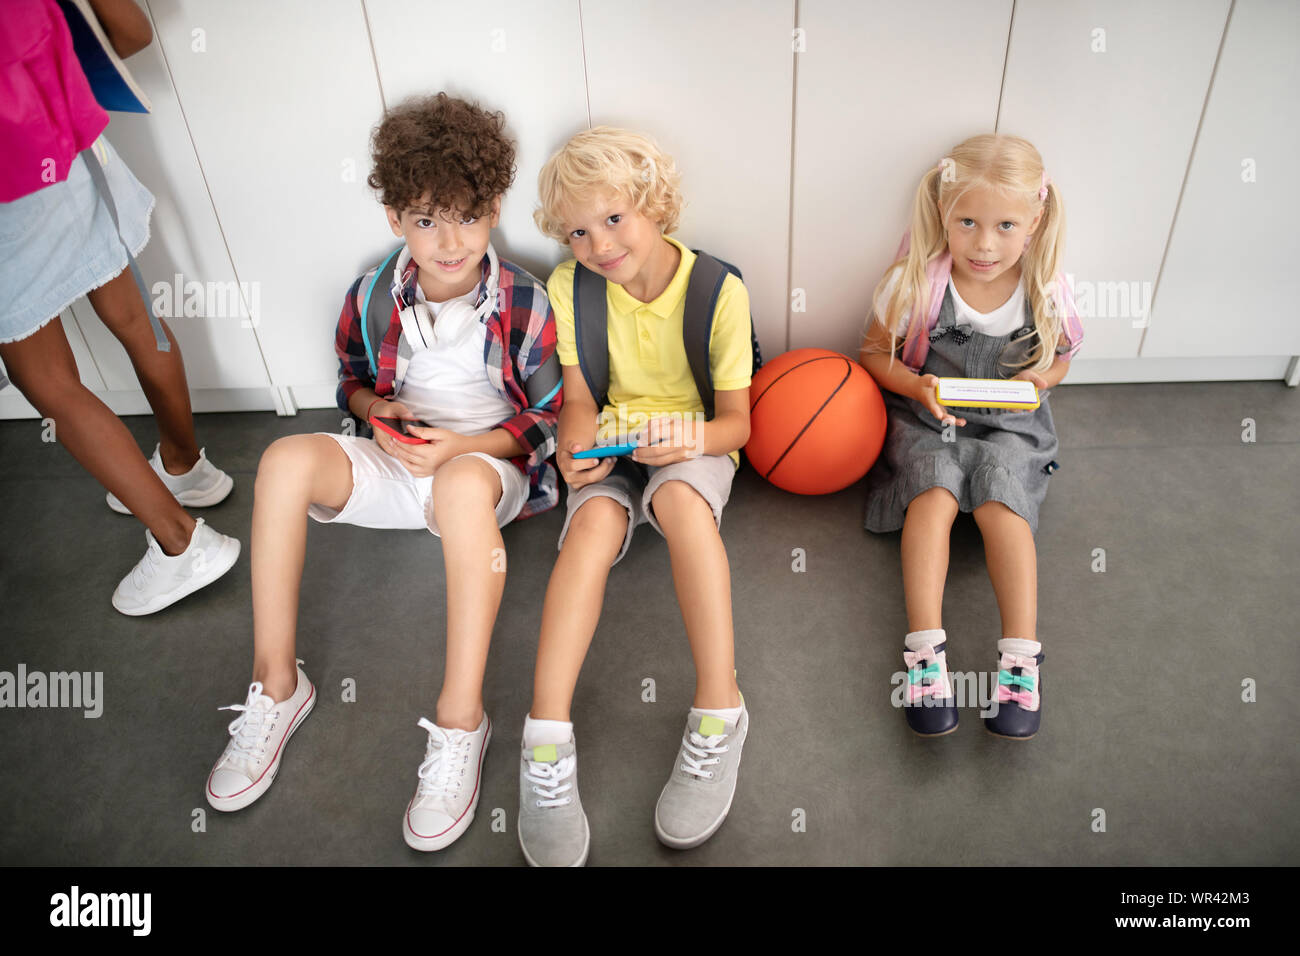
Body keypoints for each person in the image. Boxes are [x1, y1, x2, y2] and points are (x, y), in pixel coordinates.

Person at [202, 94, 562, 856]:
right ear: (397, 219)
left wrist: (466, 452)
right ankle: (276, 686)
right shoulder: (372, 295)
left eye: (465, 216)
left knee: (462, 486)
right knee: (282, 459)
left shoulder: (526, 302)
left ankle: (461, 722)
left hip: (485, 477)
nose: (448, 240)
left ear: (493, 210)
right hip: (400, 469)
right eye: (426, 220)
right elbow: (351, 383)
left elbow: (549, 421)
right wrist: (378, 411)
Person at [518, 127, 753, 866]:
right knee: (587, 534)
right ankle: (545, 738)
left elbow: (736, 423)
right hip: (616, 437)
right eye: (578, 232)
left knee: (683, 509)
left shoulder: (718, 290)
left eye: (613, 219)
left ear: (654, 205)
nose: (598, 245)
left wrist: (686, 442)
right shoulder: (571, 286)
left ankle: (721, 710)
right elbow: (582, 398)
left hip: (693, 439)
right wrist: (574, 447)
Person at [858, 133, 1084, 741]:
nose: (985, 244)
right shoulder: (913, 283)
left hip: (1011, 422)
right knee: (932, 496)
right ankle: (925, 657)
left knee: (1000, 503)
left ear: (1035, 219)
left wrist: (1041, 381)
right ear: (942, 214)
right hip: (928, 415)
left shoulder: (1046, 289)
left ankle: (1020, 662)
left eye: (1006, 224)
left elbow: (1062, 359)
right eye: (968, 222)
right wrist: (916, 384)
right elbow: (875, 356)